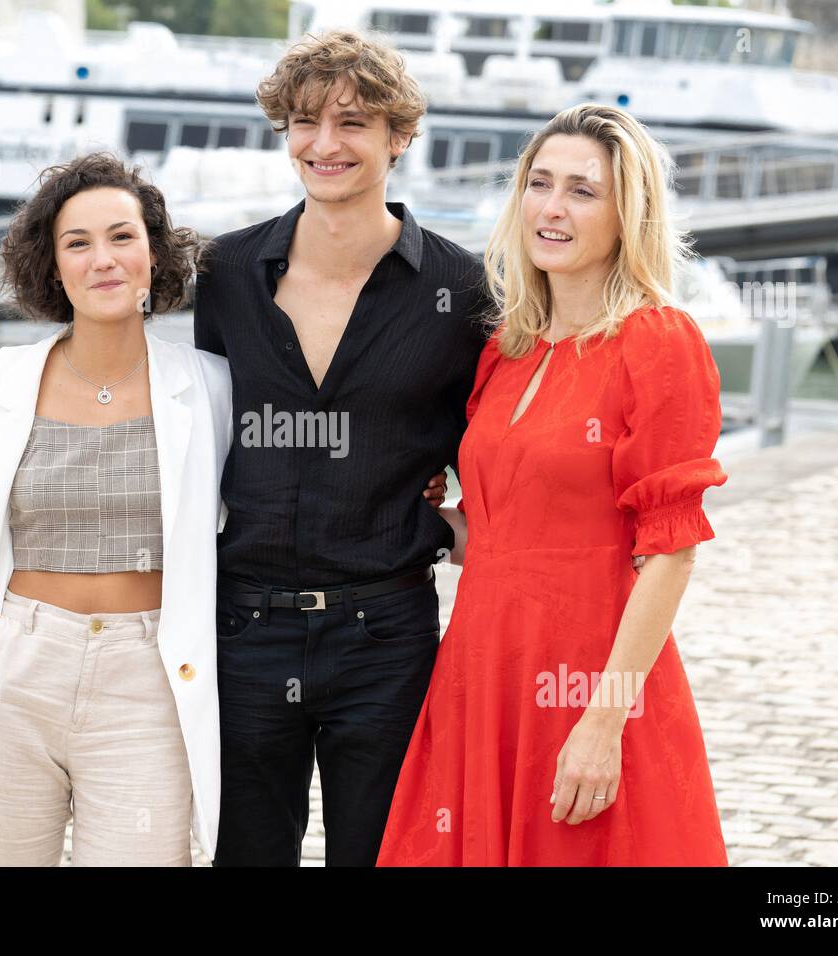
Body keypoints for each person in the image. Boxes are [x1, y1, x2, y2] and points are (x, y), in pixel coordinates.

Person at [376, 103, 730, 866]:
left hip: (591, 684)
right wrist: (408, 502)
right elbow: (500, 541)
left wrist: (605, 722)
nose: (553, 208)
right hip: (482, 672)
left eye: (583, 190)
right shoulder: (510, 350)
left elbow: (669, 554)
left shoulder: (657, 341)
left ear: (627, 214)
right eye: (539, 183)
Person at [0, 152, 232, 865]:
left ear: (155, 257)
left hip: (151, 676)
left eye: (123, 237)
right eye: (79, 243)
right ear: (53, 265)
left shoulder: (216, 388)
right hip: (15, 665)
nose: (104, 259)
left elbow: (286, 491)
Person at [192, 29, 490, 867]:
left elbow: (494, 448)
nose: (324, 145)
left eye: (352, 123)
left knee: (386, 857)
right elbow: (200, 431)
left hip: (387, 634)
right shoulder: (227, 272)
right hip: (243, 631)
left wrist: (460, 522)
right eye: (303, 122)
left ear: (400, 136)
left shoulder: (464, 292)